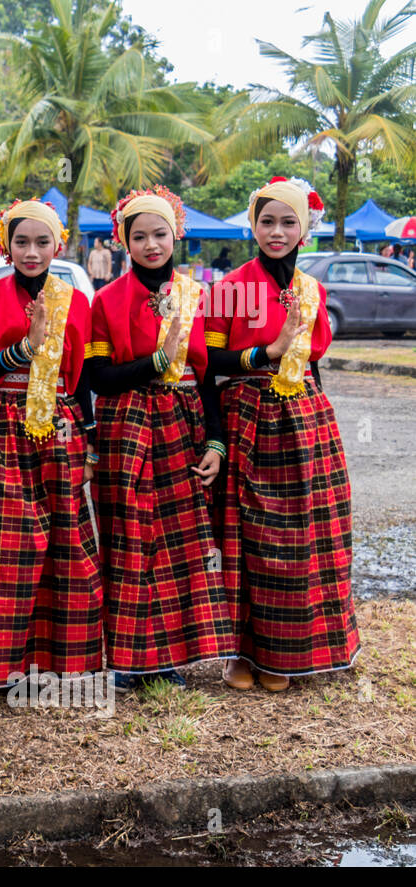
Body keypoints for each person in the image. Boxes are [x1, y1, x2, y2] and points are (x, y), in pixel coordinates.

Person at [207, 175, 359, 692]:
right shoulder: (228, 288)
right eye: (266, 221)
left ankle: (290, 653)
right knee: (247, 537)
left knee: (303, 537)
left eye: (287, 222)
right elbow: (209, 363)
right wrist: (265, 352)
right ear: (253, 225)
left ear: (303, 229)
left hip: (305, 423)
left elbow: (315, 363)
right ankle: (242, 655)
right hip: (247, 417)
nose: (276, 231)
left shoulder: (314, 290)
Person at [84, 185, 234, 690]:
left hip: (183, 421)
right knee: (127, 536)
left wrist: (215, 441)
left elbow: (208, 374)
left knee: (180, 539)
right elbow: (97, 377)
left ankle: (168, 656)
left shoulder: (196, 295)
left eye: (160, 234)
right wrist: (155, 361)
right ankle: (127, 659)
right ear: (124, 241)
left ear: (177, 235)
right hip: (126, 424)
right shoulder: (105, 301)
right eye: (139, 235)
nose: (151, 244)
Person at [0, 199, 102, 691]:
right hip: (0, 426)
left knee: (67, 543)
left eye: (42, 242)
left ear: (58, 244)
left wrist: (86, 437)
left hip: (58, 425)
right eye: (22, 242)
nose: (32, 251)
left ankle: (65, 665)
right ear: (7, 244)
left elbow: (80, 381)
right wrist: (23, 350)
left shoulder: (77, 302)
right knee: (1, 547)